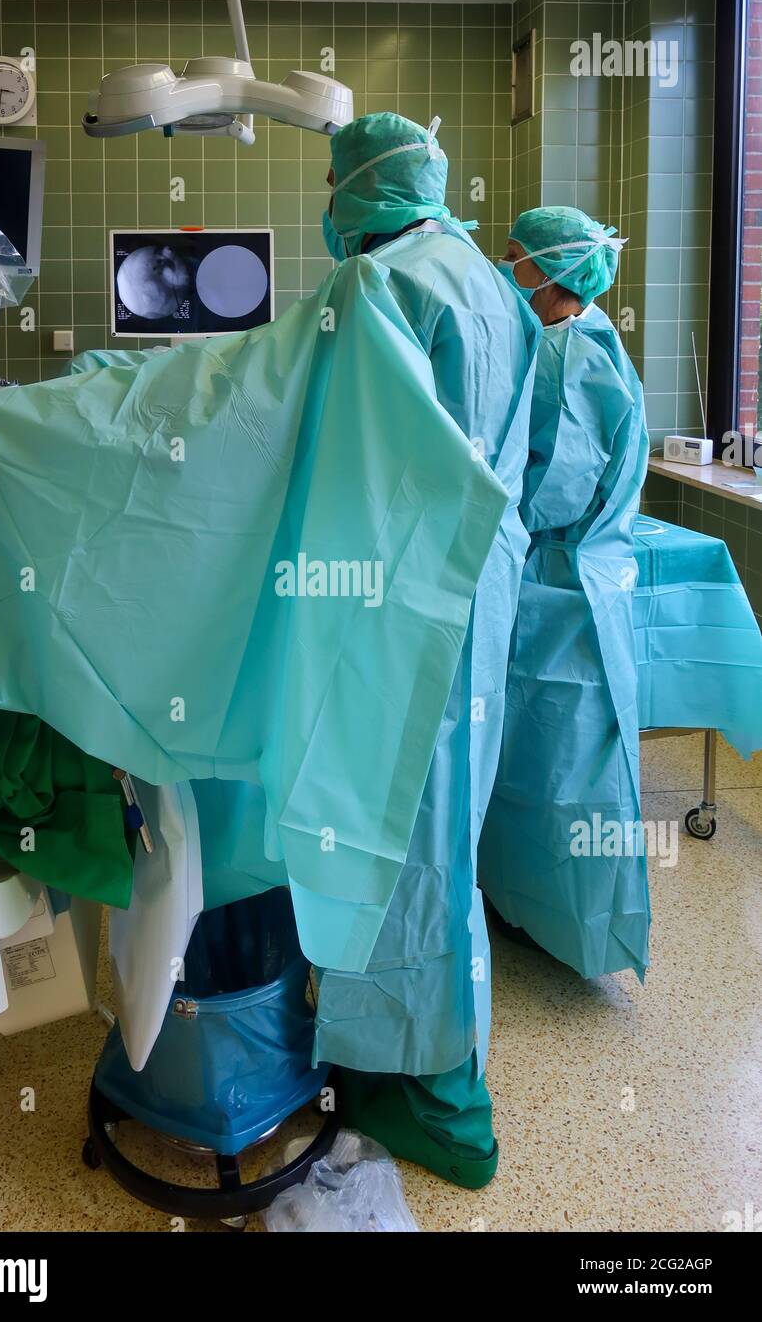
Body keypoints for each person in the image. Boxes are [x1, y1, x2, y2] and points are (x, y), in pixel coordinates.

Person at [318, 113, 540, 1187]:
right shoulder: (488, 278)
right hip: (480, 578)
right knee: (447, 827)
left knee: (398, 835)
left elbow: (346, 458)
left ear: (358, 186)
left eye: (330, 181)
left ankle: (418, 1091)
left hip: (405, 592)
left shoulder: (381, 288)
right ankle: (438, 1067)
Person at [479, 205, 651, 979]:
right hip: (581, 587)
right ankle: (537, 907)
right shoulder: (591, 339)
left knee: (560, 768)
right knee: (554, 758)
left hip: (561, 589)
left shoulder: (566, 354)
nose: (502, 270)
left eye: (513, 258)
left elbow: (556, 490)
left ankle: (562, 919)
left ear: (548, 274)